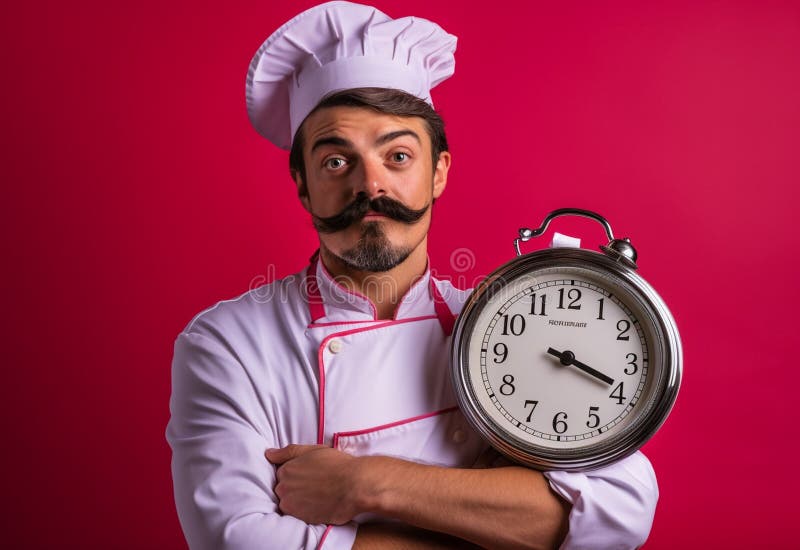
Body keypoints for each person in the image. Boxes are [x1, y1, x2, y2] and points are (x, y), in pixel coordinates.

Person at [166, 2, 658, 549]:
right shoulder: (228, 344)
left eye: (397, 155)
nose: (369, 185)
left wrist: (369, 484)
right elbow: (236, 540)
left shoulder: (500, 323)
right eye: (336, 161)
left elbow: (622, 508)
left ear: (438, 171)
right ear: (303, 185)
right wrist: (501, 524)